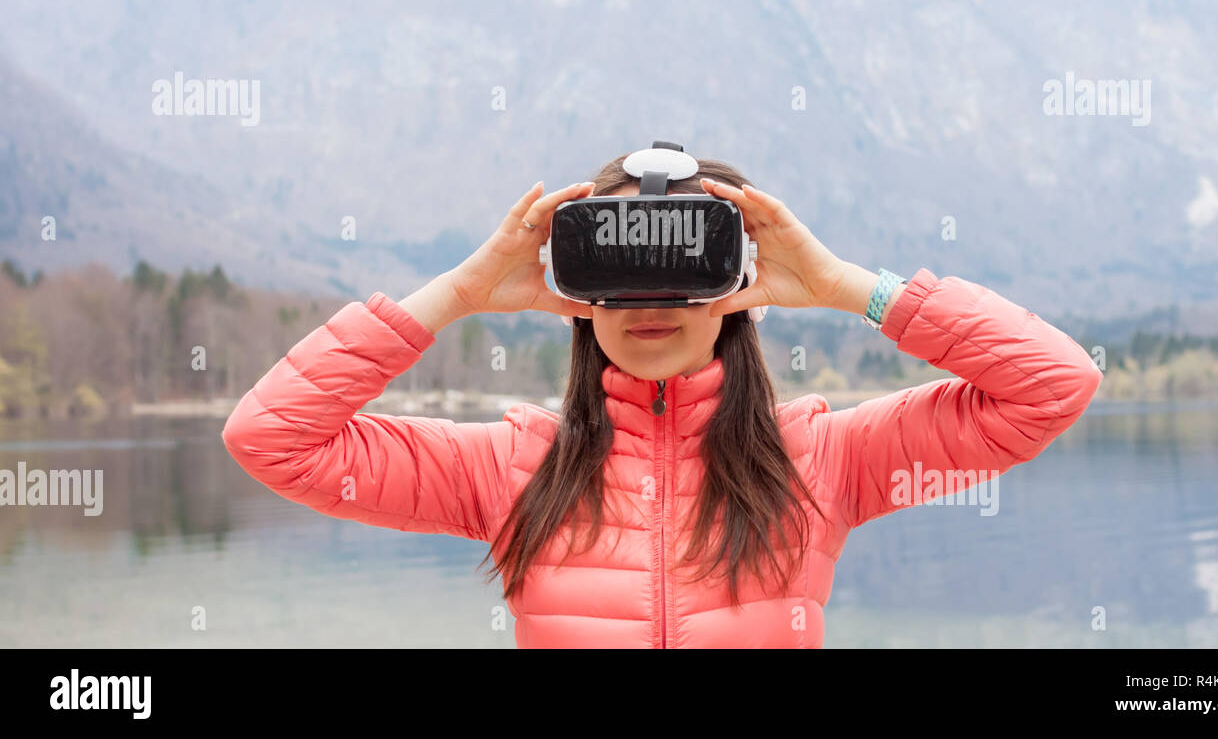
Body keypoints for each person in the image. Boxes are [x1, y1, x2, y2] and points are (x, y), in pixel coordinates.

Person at [222, 153, 1103, 648]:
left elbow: (1051, 385)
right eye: (622, 274)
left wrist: (843, 285)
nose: (652, 306)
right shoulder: (509, 470)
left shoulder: (823, 461)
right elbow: (273, 440)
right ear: (580, 290)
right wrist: (457, 292)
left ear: (738, 288)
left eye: (685, 273)